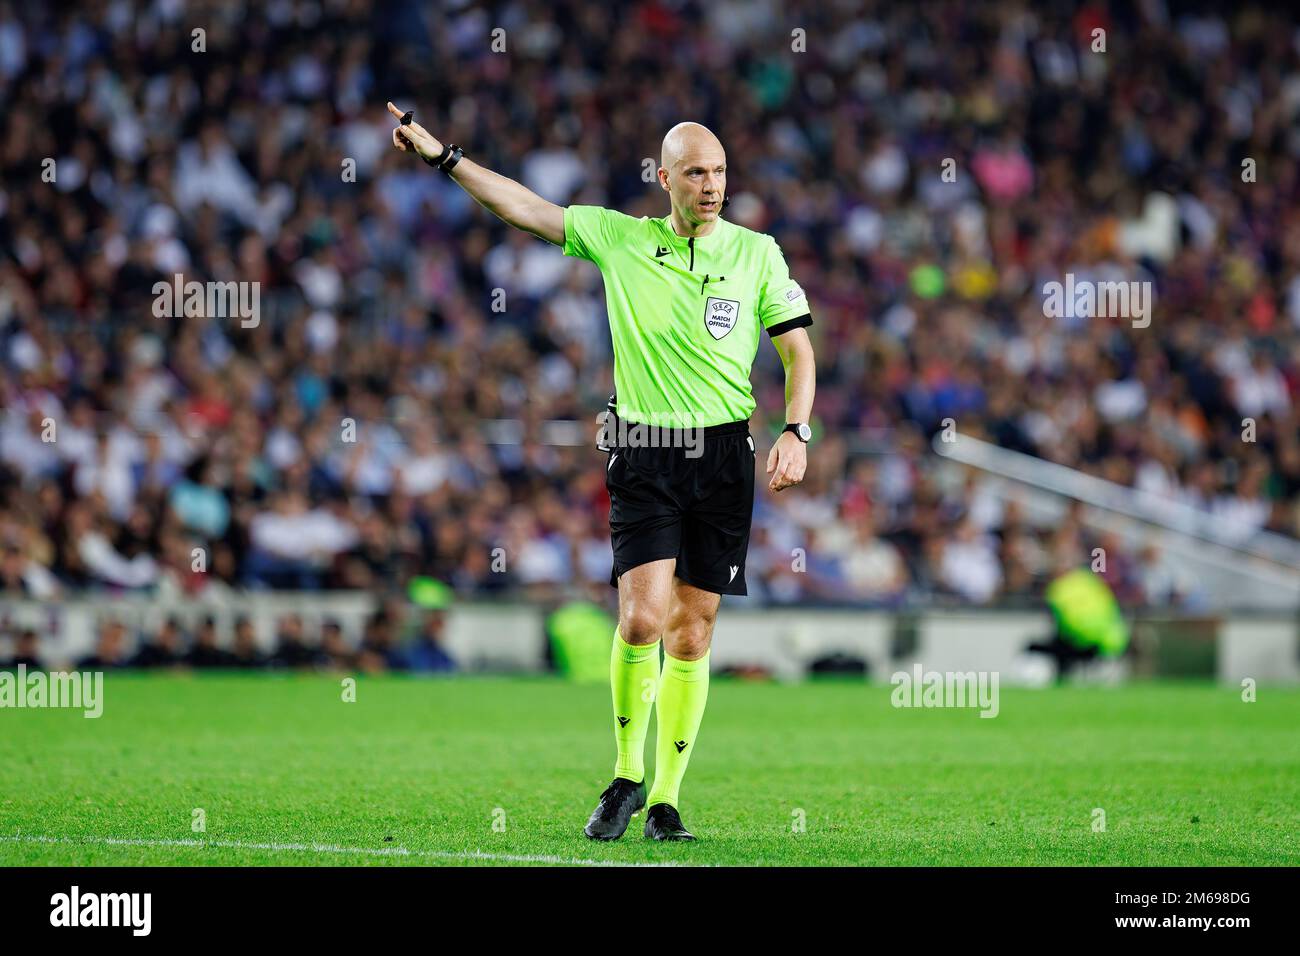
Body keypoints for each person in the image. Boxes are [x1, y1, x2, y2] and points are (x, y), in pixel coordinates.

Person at [388, 106, 817, 841]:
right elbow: (525, 208)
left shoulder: (758, 253)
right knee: (642, 618)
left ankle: (668, 801)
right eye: (695, 173)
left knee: (692, 633)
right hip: (644, 447)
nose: (711, 186)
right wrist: (444, 158)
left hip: (722, 454)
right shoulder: (621, 238)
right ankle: (625, 773)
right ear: (665, 179)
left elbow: (798, 353)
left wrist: (797, 428)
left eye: (718, 172)